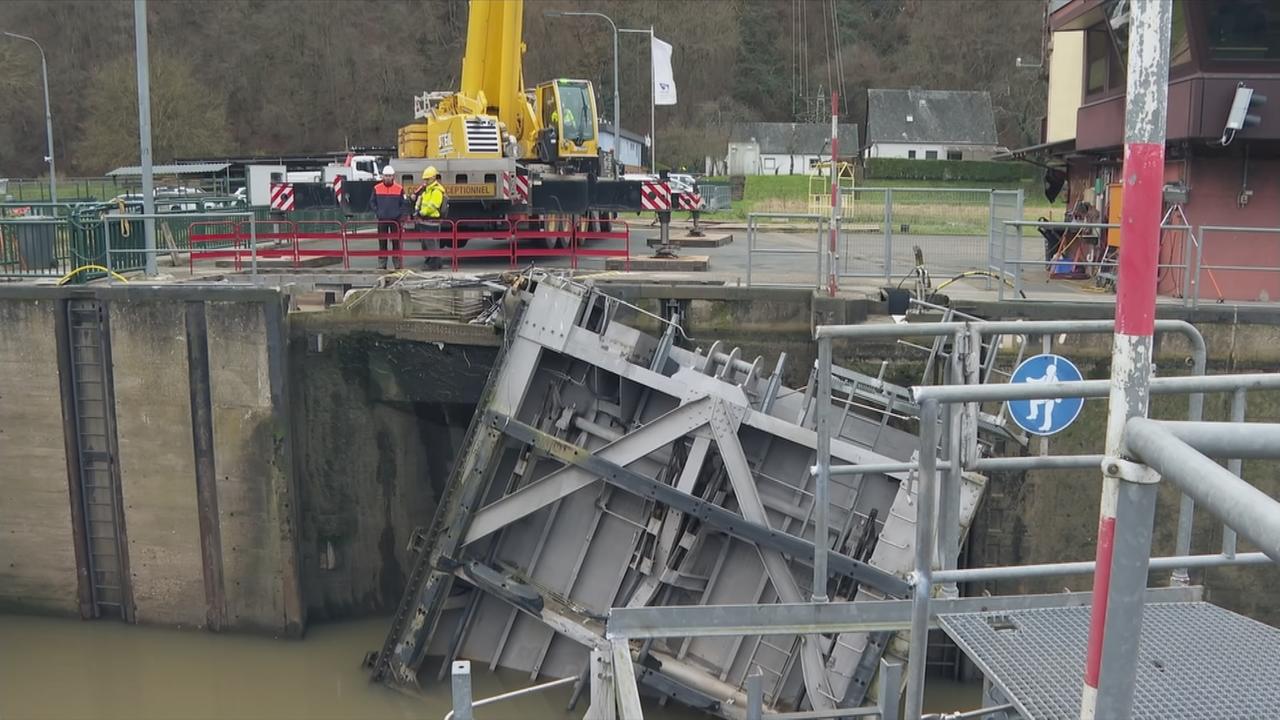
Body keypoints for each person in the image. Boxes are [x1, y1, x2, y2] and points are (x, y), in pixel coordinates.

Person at [367, 165, 406, 270]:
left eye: (389, 176)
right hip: (382, 220)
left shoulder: (399, 188)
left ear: (393, 176)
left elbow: (403, 204)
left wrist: (400, 214)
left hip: (395, 221)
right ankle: (382, 265)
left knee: (396, 243)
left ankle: (397, 265)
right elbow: (372, 202)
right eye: (386, 176)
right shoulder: (377, 188)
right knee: (382, 243)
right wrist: (378, 212)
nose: (388, 178)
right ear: (383, 176)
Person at [415, 166, 447, 270]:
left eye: (427, 179)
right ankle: (436, 262)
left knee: (431, 243)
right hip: (426, 220)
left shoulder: (436, 191)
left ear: (433, 178)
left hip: (432, 220)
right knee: (427, 243)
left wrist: (421, 212)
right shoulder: (427, 190)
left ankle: (432, 264)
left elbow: (433, 205)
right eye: (425, 179)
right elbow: (423, 202)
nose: (425, 181)